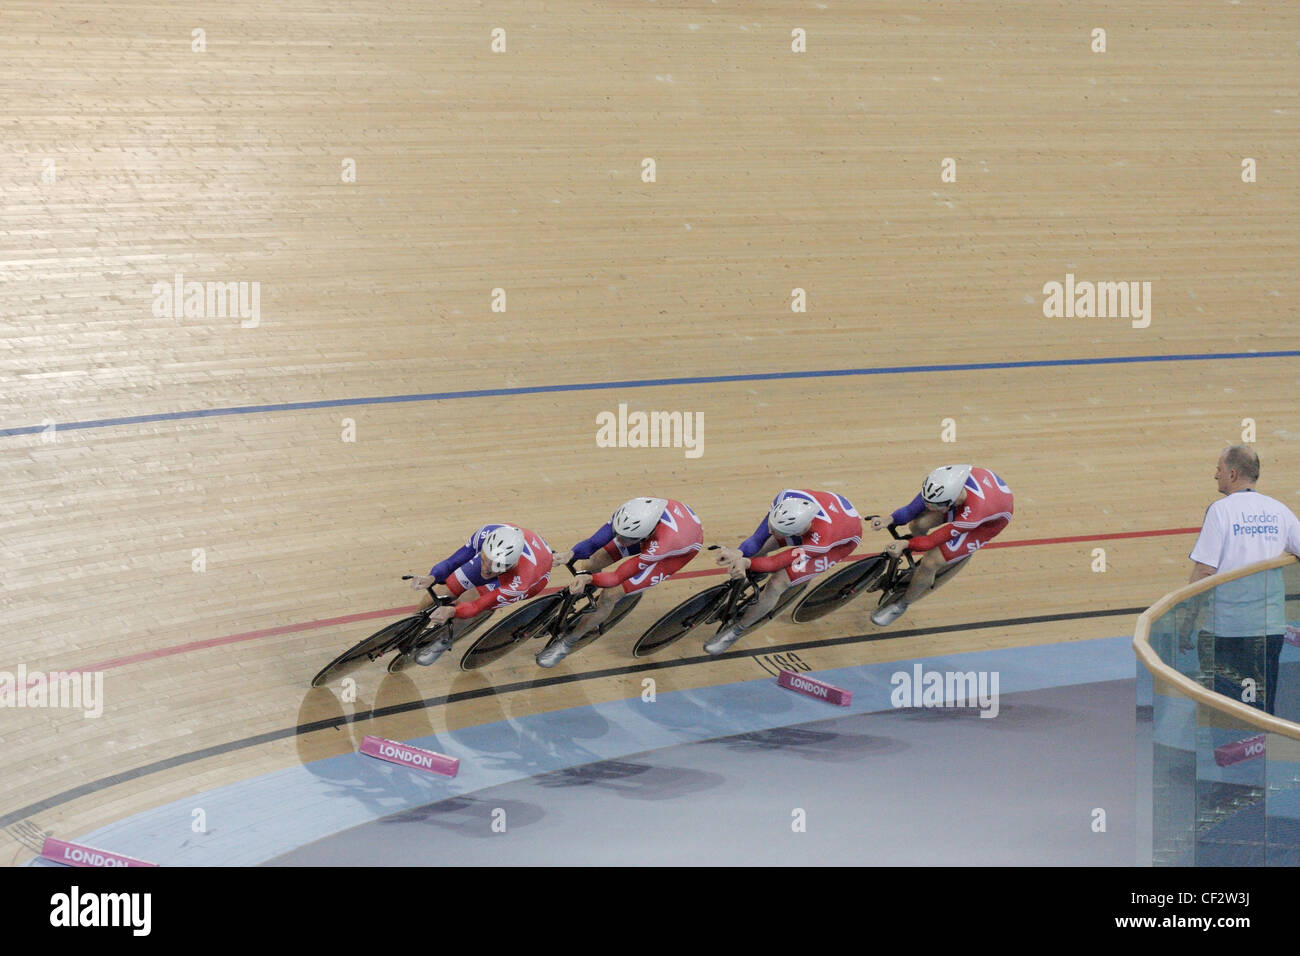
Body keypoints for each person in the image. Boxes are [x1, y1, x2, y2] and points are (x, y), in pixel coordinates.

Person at [1186, 445, 1300, 715]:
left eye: (1219, 469)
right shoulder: (1279, 510)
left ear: (1233, 474)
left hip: (1230, 630)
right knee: (1261, 709)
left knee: (1227, 712)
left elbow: (1204, 571)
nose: (1216, 475)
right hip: (1269, 629)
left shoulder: (1220, 511)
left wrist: (1187, 620)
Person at [537, 497, 703, 668]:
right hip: (652, 533)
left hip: (674, 552)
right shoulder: (629, 513)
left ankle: (568, 642)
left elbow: (618, 576)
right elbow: (595, 542)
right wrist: (570, 554)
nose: (621, 541)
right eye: (618, 534)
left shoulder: (663, 544)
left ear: (647, 534)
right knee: (590, 563)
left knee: (611, 594)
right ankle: (585, 592)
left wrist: (588, 578)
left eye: (627, 538)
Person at [709, 489, 863, 654]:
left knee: (778, 582)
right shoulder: (785, 498)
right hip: (822, 519)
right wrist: (739, 552)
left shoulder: (821, 542)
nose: (772, 532)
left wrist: (746, 563)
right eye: (772, 526)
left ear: (798, 531)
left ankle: (737, 630)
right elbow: (758, 538)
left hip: (837, 543)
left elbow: (776, 562)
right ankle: (754, 573)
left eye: (779, 531)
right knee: (759, 547)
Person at [870, 464, 1013, 626]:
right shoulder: (943, 484)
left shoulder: (974, 514)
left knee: (931, 561)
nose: (931, 508)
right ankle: (920, 562)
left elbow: (933, 540)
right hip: (965, 502)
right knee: (919, 524)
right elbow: (911, 509)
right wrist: (888, 519)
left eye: (937, 505)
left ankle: (901, 604)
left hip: (985, 522)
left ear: (953, 498)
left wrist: (907, 543)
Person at [405, 524, 554, 665]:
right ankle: (408, 625)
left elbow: (476, 606)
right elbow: (452, 562)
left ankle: (443, 641)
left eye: (493, 568)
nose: (485, 570)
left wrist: (452, 611)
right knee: (445, 590)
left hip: (533, 580)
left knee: (470, 600)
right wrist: (432, 577)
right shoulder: (486, 533)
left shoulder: (521, 581)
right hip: (502, 558)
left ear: (510, 564)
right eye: (483, 561)